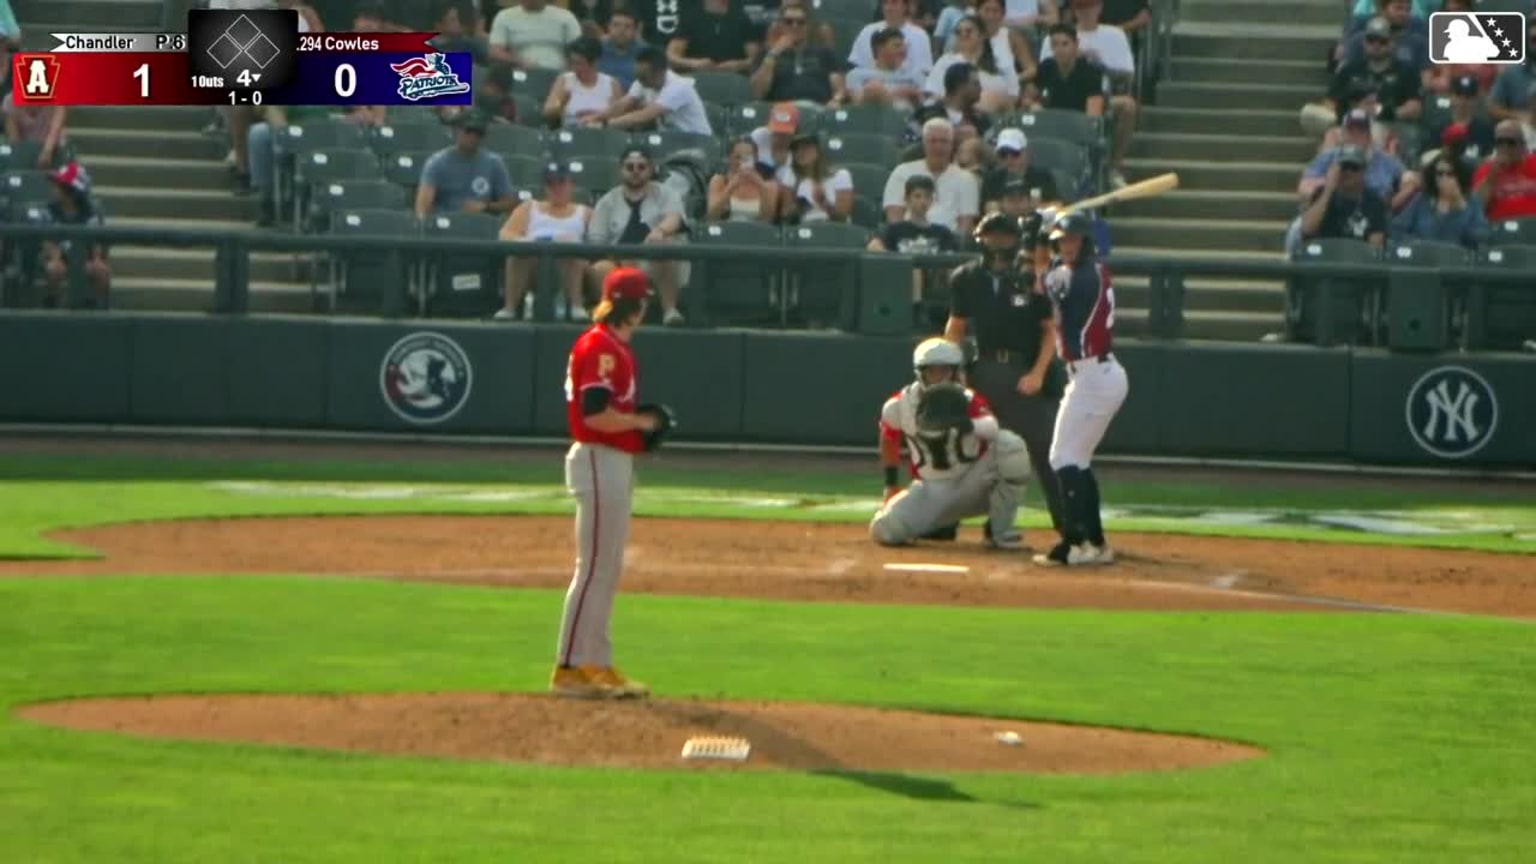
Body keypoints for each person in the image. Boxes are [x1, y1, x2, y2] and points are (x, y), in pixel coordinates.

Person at [552, 266, 667, 700]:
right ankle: (570, 667)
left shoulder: (613, 346)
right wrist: (641, 422)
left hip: (611, 461)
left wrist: (636, 426)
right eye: (642, 303)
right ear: (633, 307)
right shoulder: (601, 347)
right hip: (599, 460)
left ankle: (595, 663)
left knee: (606, 568)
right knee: (594, 568)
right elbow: (595, 413)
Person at [942, 211, 1065, 537]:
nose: (998, 243)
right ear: (980, 239)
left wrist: (1038, 373)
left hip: (1023, 370)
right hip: (982, 369)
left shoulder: (1031, 278)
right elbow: (956, 326)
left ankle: (1069, 524)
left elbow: (1050, 331)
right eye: (991, 236)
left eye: (1005, 236)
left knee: (1045, 447)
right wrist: (952, 370)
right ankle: (943, 522)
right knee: (964, 448)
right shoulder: (966, 277)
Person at [868, 338, 1034, 549]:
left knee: (1010, 445)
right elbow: (889, 438)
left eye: (944, 371)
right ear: (921, 373)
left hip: (974, 481)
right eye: (933, 372)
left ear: (955, 372)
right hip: (931, 489)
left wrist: (965, 424)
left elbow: (992, 427)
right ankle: (937, 523)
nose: (939, 378)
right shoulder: (899, 405)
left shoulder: (967, 399)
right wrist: (891, 484)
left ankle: (1000, 530)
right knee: (884, 529)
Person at [1033, 211, 1127, 567]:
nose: (1067, 247)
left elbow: (1040, 284)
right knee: (1077, 459)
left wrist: (1037, 236)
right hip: (1098, 374)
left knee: (1063, 458)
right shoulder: (1094, 271)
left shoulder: (1078, 278)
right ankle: (1096, 543)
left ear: (1085, 242)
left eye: (1073, 240)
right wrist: (1044, 234)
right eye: (1062, 241)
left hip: (1093, 378)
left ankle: (1075, 544)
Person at [587, 146, 690, 325]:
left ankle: (670, 311)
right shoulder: (607, 201)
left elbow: (675, 218)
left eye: (641, 167)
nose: (635, 171)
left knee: (662, 246)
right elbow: (597, 241)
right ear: (621, 170)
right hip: (619, 263)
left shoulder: (666, 194)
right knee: (600, 267)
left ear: (650, 169)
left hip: (652, 261)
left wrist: (660, 231)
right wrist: (621, 259)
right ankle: (614, 317)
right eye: (630, 167)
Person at [495, 161, 594, 322]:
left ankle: (576, 306)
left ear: (571, 185)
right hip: (534, 262)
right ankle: (510, 308)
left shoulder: (585, 213)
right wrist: (527, 242)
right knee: (517, 254)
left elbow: (597, 240)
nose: (556, 188)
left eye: (561, 182)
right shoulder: (529, 208)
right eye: (550, 183)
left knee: (572, 250)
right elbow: (505, 234)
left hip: (571, 265)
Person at [586, 44, 713, 135]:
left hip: (696, 139)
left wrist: (604, 125)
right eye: (638, 75)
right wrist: (594, 118)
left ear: (660, 72)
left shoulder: (678, 87)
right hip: (670, 139)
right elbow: (622, 104)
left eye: (644, 77)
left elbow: (643, 116)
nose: (640, 81)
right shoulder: (643, 82)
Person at [413, 111, 518, 218]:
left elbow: (509, 203)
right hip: (446, 222)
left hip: (480, 223)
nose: (473, 136)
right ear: (456, 131)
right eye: (468, 131)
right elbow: (422, 208)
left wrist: (486, 207)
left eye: (478, 133)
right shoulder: (437, 163)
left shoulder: (494, 163)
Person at [34, 161, 110, 307]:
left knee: (101, 270)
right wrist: (55, 258)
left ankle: (96, 309)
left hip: (84, 257)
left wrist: (96, 259)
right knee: (55, 269)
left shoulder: (91, 212)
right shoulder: (48, 210)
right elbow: (48, 240)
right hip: (57, 257)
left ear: (71, 192)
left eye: (58, 185)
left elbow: (96, 241)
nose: (54, 188)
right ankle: (50, 306)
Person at [1389, 154, 1488, 248]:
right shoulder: (1423, 198)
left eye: (1450, 174)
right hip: (1423, 256)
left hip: (1457, 257)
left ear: (1460, 176)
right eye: (1440, 173)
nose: (1444, 178)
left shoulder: (1471, 201)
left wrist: (1460, 207)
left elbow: (1481, 237)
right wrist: (1416, 243)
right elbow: (1397, 229)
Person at [543, 36, 623, 128]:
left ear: (594, 63)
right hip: (571, 131)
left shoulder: (611, 83)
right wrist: (560, 104)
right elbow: (547, 113)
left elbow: (618, 117)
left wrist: (599, 118)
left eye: (579, 64)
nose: (574, 68)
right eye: (572, 63)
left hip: (601, 132)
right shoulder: (564, 80)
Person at [776, 133, 854, 224]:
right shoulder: (791, 176)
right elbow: (786, 216)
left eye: (805, 147)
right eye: (796, 149)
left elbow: (842, 218)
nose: (800, 152)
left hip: (833, 228)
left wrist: (823, 202)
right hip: (805, 227)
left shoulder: (840, 175)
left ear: (817, 150)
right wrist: (798, 209)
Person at [1472, 120, 1536, 221]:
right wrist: (1492, 177)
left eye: (1511, 143)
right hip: (1498, 227)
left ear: (1523, 145)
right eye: (1500, 142)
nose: (1504, 147)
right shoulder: (1486, 169)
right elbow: (1476, 208)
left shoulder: (1534, 163)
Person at [489, 0, 582, 70]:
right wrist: (518, 61)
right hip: (521, 71)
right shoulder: (504, 16)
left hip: (560, 73)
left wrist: (570, 69)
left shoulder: (566, 16)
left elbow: (580, 50)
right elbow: (495, 52)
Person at [706, 137, 779, 222]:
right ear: (730, 158)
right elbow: (712, 217)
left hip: (756, 229)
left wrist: (761, 186)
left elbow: (767, 219)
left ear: (756, 158)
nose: (741, 162)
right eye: (737, 157)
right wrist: (730, 188)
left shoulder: (769, 185)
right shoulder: (719, 181)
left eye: (747, 157)